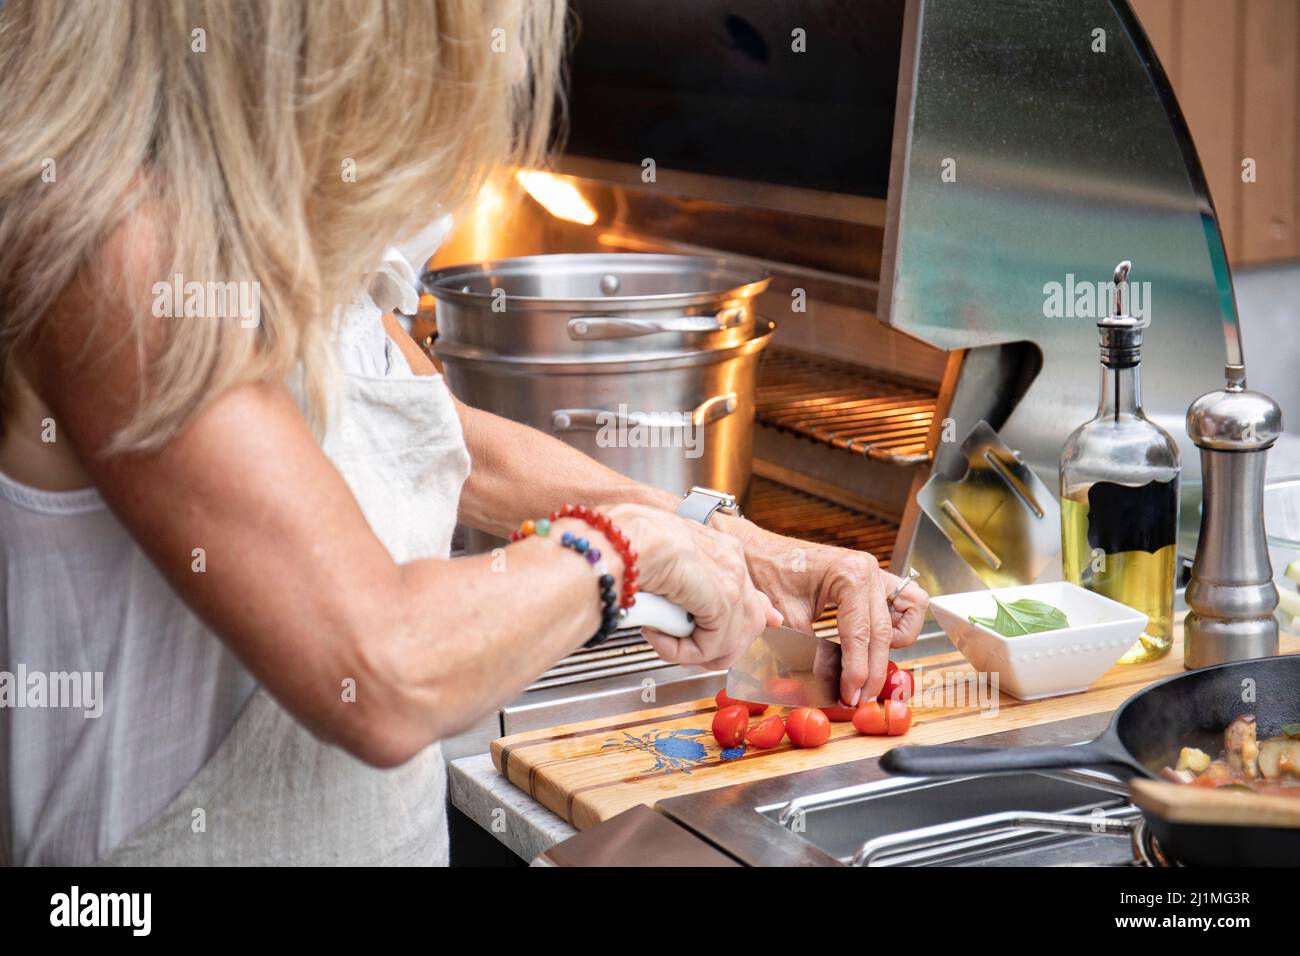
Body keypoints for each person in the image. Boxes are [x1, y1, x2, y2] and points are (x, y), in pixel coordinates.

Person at [0, 0, 928, 866]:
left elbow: (437, 439)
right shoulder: (117, 244)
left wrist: (731, 540)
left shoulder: (268, 242)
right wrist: (628, 552)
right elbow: (382, 666)